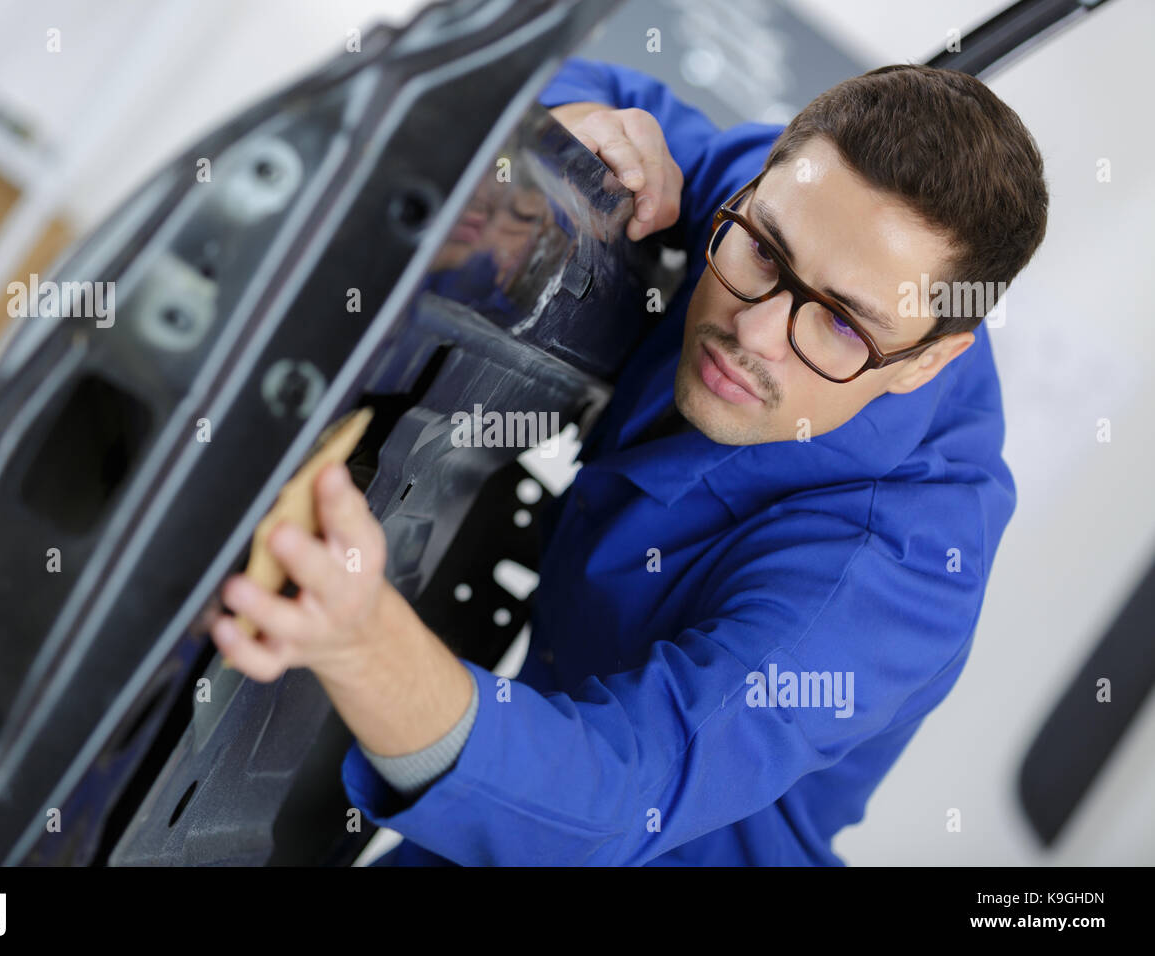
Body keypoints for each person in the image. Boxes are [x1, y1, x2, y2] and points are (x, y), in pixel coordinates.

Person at [210, 56, 1048, 865]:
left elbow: (622, 795)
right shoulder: (798, 206)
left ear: (927, 360)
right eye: (763, 252)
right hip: (512, 777)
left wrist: (361, 643)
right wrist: (571, 136)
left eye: (841, 324)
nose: (753, 332)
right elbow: (604, 87)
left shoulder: (887, 578)